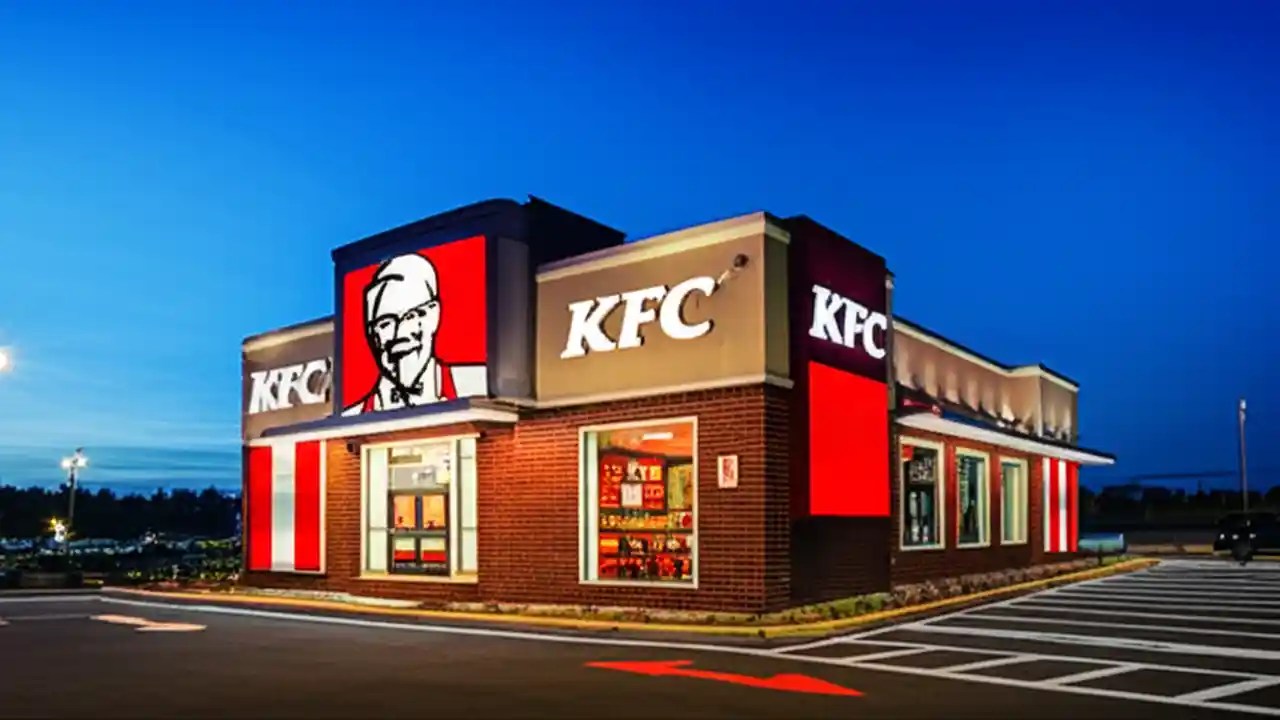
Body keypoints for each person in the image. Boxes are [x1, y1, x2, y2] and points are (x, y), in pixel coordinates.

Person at [343, 252, 485, 415]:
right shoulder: (352, 416)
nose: (399, 334)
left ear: (434, 315)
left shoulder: (479, 385)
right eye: (385, 323)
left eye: (411, 316)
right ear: (372, 336)